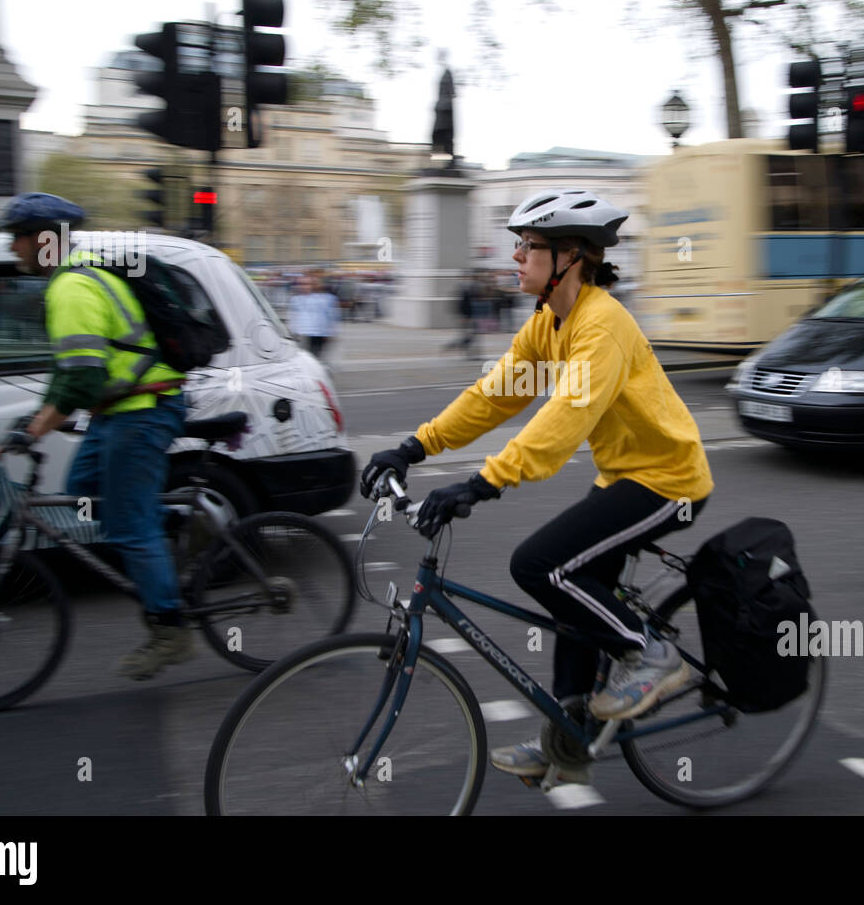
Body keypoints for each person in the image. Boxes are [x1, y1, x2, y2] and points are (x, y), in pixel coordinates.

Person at [360, 188, 714, 781]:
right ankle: (569, 743)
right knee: (572, 595)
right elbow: (495, 394)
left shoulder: (601, 326)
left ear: (571, 258)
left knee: (540, 566)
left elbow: (563, 421)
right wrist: (414, 446)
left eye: (528, 247)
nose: (516, 258)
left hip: (670, 483)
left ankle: (655, 657)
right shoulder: (550, 324)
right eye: (518, 247)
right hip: (624, 477)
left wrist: (480, 483)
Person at [0, 192, 191, 680]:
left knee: (126, 523)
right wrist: (34, 421)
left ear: (42, 239)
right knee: (83, 490)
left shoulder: (71, 289)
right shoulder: (73, 276)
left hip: (143, 410)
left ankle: (170, 629)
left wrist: (35, 430)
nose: (11, 248)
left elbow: (81, 380)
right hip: (118, 409)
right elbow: (71, 374)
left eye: (16, 238)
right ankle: (179, 524)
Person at [289, 272, 340, 359]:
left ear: (313, 285)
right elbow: (293, 317)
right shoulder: (295, 299)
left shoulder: (326, 298)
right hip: (300, 334)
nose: (303, 287)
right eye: (301, 284)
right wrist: (292, 333)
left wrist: (331, 333)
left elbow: (332, 316)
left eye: (306, 284)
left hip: (317, 334)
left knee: (314, 358)